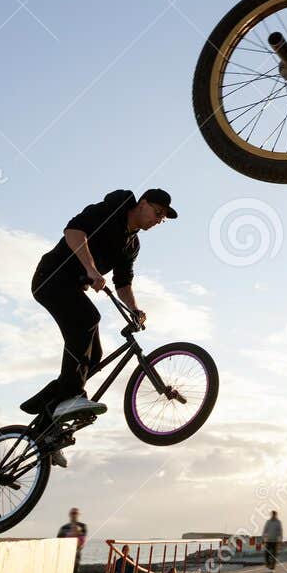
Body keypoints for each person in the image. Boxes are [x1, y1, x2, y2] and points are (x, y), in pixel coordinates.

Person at [19, 188, 177, 441]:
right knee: (88, 319)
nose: (158, 220)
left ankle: (47, 425)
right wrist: (91, 270)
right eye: (157, 213)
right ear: (143, 203)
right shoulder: (112, 209)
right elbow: (73, 232)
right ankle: (72, 398)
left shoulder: (132, 244)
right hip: (51, 277)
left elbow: (123, 283)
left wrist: (135, 310)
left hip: (71, 289)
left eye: (162, 219)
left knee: (93, 358)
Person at [57, 507, 88, 573]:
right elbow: (59, 542)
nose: (74, 515)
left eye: (76, 513)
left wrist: (75, 531)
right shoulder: (64, 528)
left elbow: (81, 542)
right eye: (73, 513)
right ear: (70, 515)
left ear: (79, 515)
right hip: (64, 557)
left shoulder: (82, 526)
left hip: (75, 557)